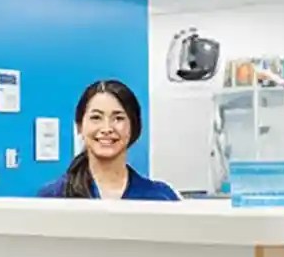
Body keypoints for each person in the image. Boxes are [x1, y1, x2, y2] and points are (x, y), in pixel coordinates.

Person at [37, 80, 179, 201]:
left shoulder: (160, 198)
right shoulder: (54, 197)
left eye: (118, 118)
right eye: (96, 118)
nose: (107, 128)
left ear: (134, 126)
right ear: (79, 127)